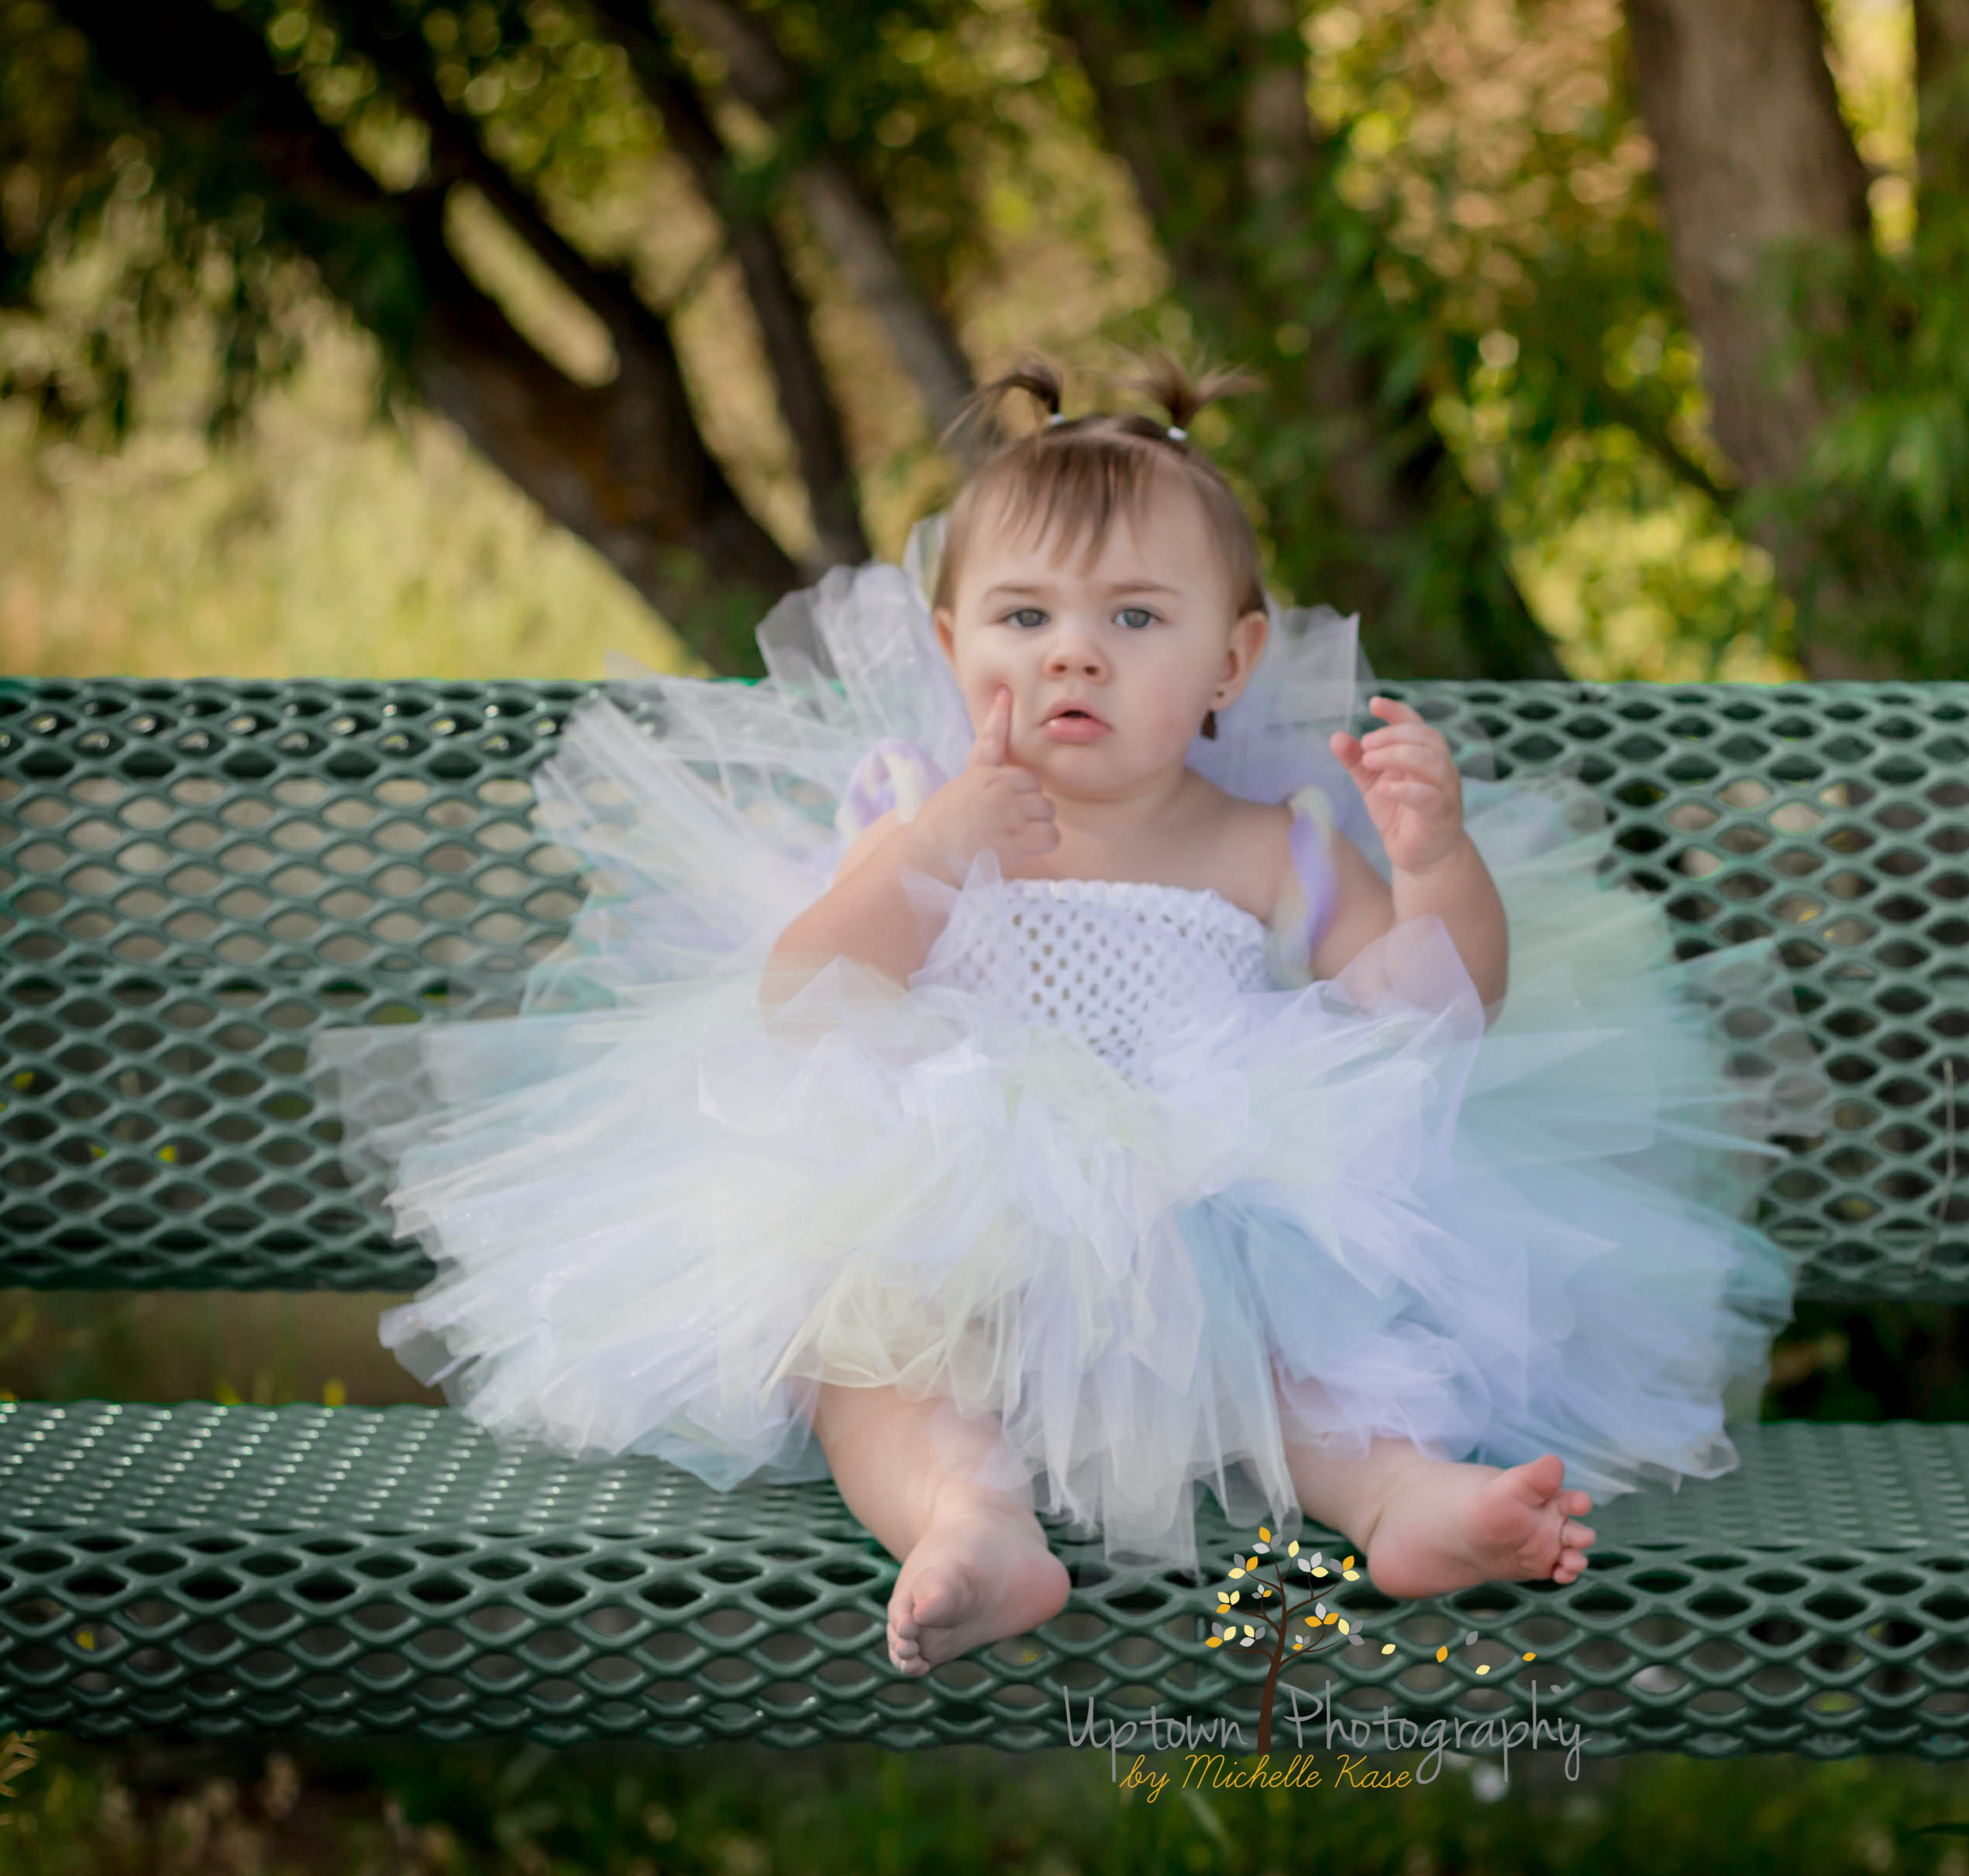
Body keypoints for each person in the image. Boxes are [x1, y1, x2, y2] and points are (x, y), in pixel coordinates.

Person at [312, 353, 1816, 1681]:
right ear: (953, 645)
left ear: (1231, 662)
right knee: (867, 1347)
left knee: (1316, 1351)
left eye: (1134, 616)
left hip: (1216, 1211)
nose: (1071, 652)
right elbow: (803, 991)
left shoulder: (1271, 840)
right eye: (1022, 615)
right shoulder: (914, 810)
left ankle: (1396, 1495)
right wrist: (932, 853)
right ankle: (967, 1517)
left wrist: (1436, 866)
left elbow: (1432, 1015)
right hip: (963, 1205)